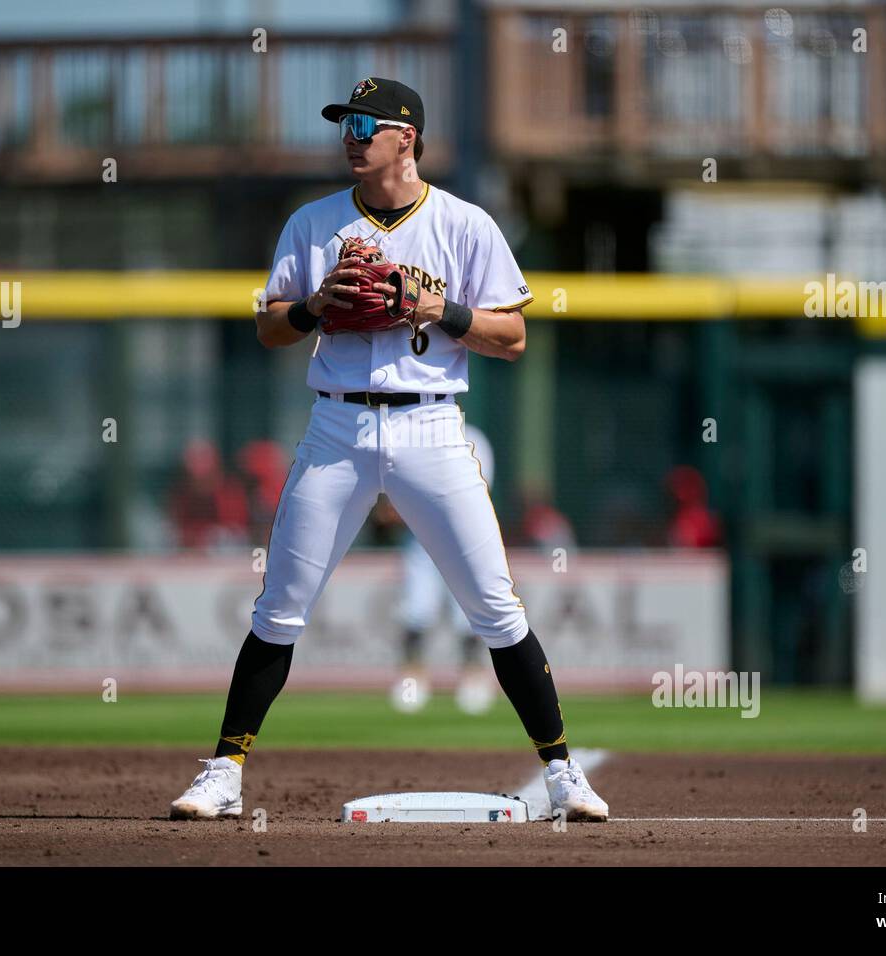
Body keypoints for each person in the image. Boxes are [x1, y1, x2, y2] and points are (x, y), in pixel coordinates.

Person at [169, 77, 608, 822]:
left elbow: (513, 337)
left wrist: (439, 307)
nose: (350, 134)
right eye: (345, 122)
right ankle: (224, 772)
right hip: (337, 426)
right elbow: (269, 328)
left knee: (496, 611)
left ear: (407, 137)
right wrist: (313, 307)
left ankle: (564, 773)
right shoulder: (312, 223)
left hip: (433, 426)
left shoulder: (465, 225)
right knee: (279, 609)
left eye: (365, 124)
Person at [386, 423, 498, 716]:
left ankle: (473, 679)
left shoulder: (474, 438)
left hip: (464, 537)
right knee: (416, 609)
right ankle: (412, 679)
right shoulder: (413, 434)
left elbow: (480, 491)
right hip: (420, 535)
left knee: (467, 614)